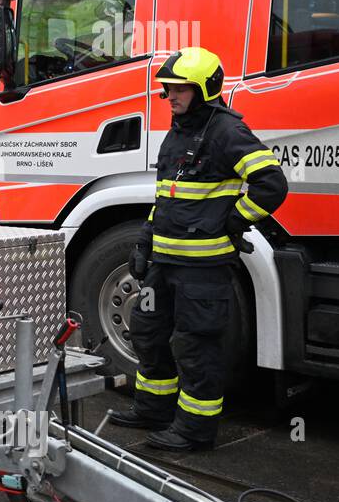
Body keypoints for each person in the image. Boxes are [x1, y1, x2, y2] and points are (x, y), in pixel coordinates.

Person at [110, 48, 288, 451]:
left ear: (205, 90)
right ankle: (154, 410)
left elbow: (271, 183)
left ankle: (195, 429)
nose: (170, 97)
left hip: (202, 269)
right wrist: (145, 241)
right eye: (168, 89)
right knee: (148, 333)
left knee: (196, 347)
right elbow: (169, 195)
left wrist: (237, 219)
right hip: (164, 263)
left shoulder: (226, 132)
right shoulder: (179, 130)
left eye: (179, 90)